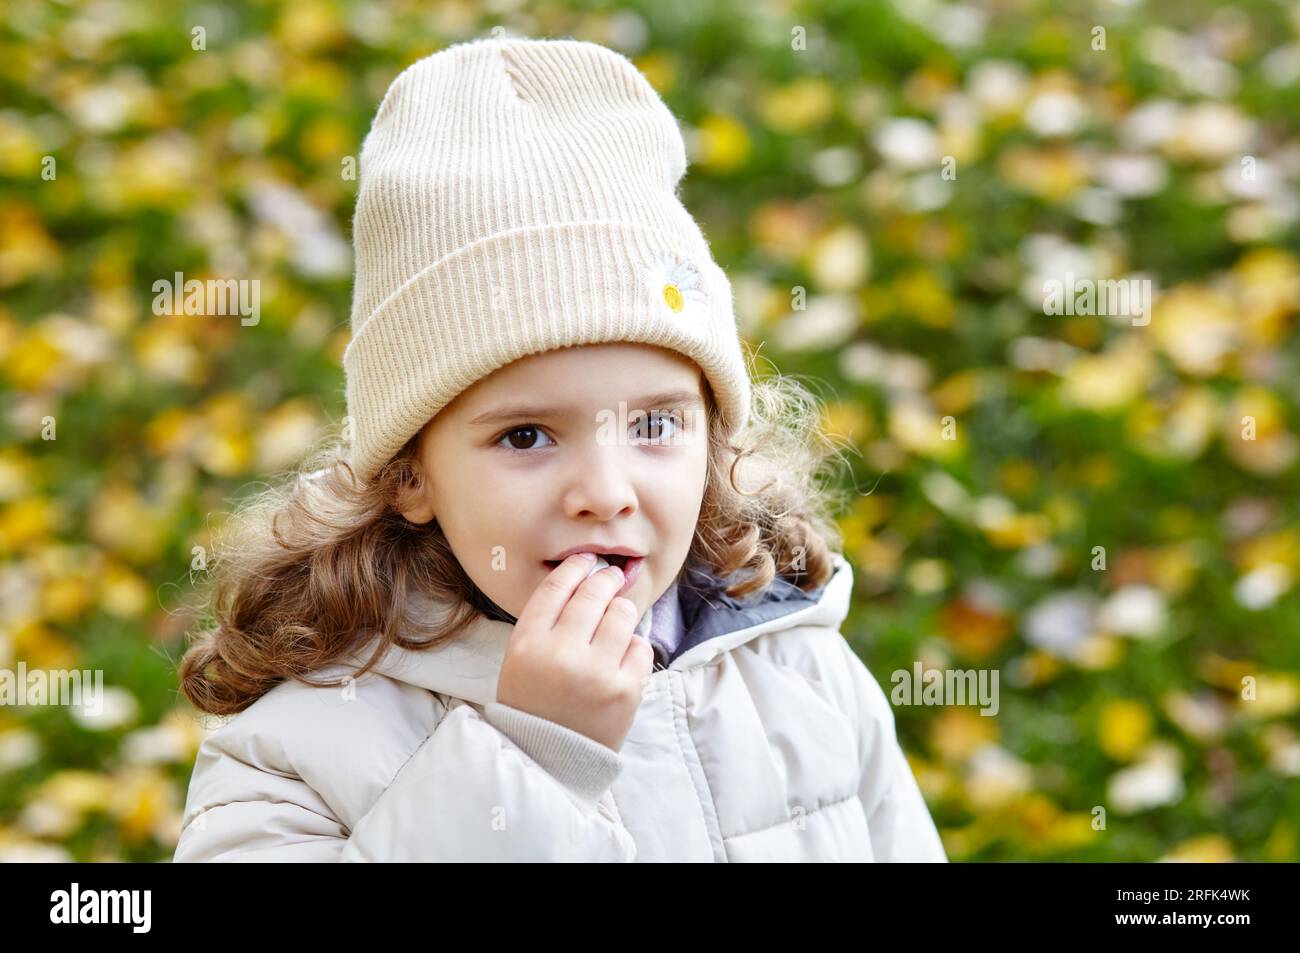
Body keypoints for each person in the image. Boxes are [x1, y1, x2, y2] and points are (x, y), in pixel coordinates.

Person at [172, 35, 946, 862]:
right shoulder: (305, 746)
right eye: (527, 435)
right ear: (408, 474)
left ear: (713, 437)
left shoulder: (800, 669)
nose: (605, 490)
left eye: (655, 425)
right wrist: (531, 758)